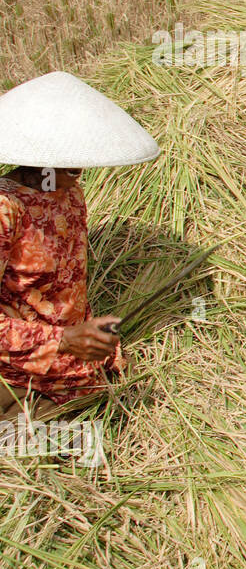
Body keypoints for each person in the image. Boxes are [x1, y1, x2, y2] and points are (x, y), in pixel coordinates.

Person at [0, 72, 160, 421]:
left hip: (77, 370)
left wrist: (98, 343)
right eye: (65, 161)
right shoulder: (5, 208)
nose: (76, 170)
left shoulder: (70, 195)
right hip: (19, 377)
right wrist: (64, 341)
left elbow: (69, 289)